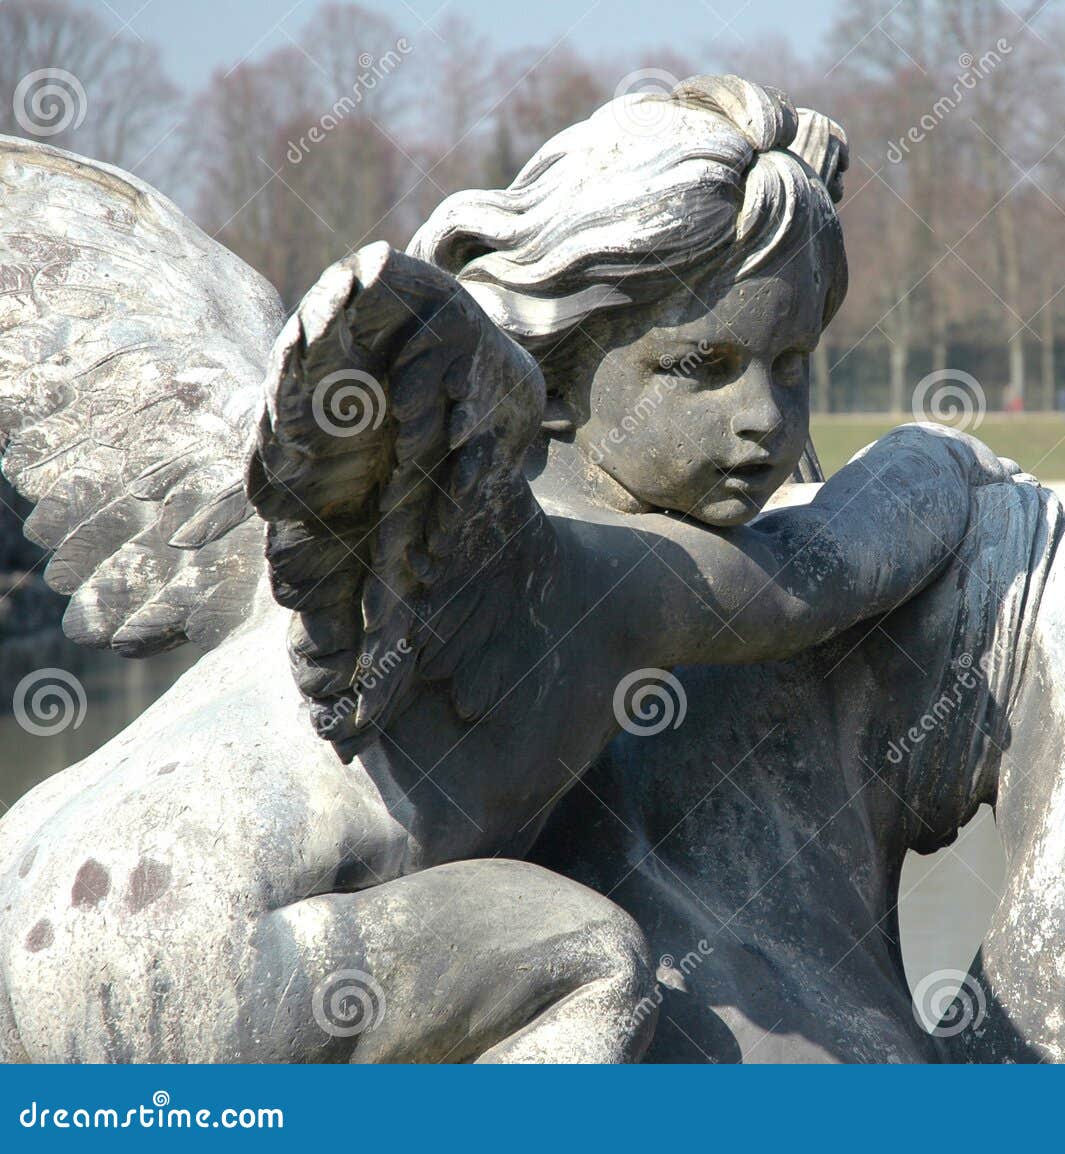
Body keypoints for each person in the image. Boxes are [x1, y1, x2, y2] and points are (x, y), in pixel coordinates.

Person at [0, 77, 1010, 1063]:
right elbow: (824, 573)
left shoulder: (317, 498)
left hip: (30, 881)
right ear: (559, 373)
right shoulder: (612, 569)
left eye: (791, 366)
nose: (764, 419)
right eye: (700, 367)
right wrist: (940, 459)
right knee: (596, 960)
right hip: (197, 949)